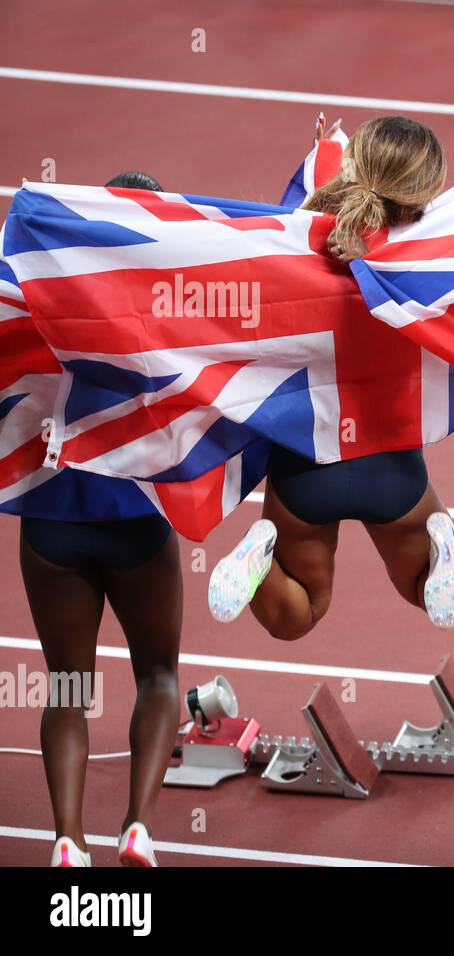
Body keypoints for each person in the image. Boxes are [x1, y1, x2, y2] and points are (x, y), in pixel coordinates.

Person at [207, 116, 454, 640]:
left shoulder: (294, 243)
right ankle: (449, 559)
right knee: (434, 592)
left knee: (302, 611)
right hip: (392, 464)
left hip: (305, 466)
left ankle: (258, 569)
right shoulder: (433, 254)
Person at [17, 172, 178, 866]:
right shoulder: (174, 309)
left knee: (68, 687)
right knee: (159, 677)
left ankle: (66, 839)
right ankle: (138, 827)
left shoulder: (35, 297)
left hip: (53, 520)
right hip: (135, 516)